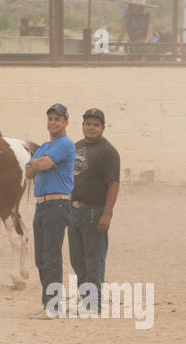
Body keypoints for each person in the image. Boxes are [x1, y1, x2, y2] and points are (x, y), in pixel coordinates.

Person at [24, 103, 76, 319]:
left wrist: (38, 163)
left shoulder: (65, 144)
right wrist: (38, 163)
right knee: (40, 257)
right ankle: (49, 303)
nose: (53, 122)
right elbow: (28, 172)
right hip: (43, 204)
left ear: (65, 123)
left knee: (51, 256)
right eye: (51, 119)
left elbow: (41, 165)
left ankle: (53, 306)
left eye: (58, 119)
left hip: (57, 204)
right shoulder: (46, 145)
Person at [68, 108, 120, 317]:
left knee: (94, 258)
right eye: (88, 123)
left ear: (102, 127)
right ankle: (85, 299)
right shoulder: (76, 147)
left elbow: (114, 184)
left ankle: (95, 303)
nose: (91, 128)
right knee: (77, 259)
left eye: (95, 124)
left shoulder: (108, 152)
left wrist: (107, 214)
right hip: (74, 211)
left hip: (94, 212)